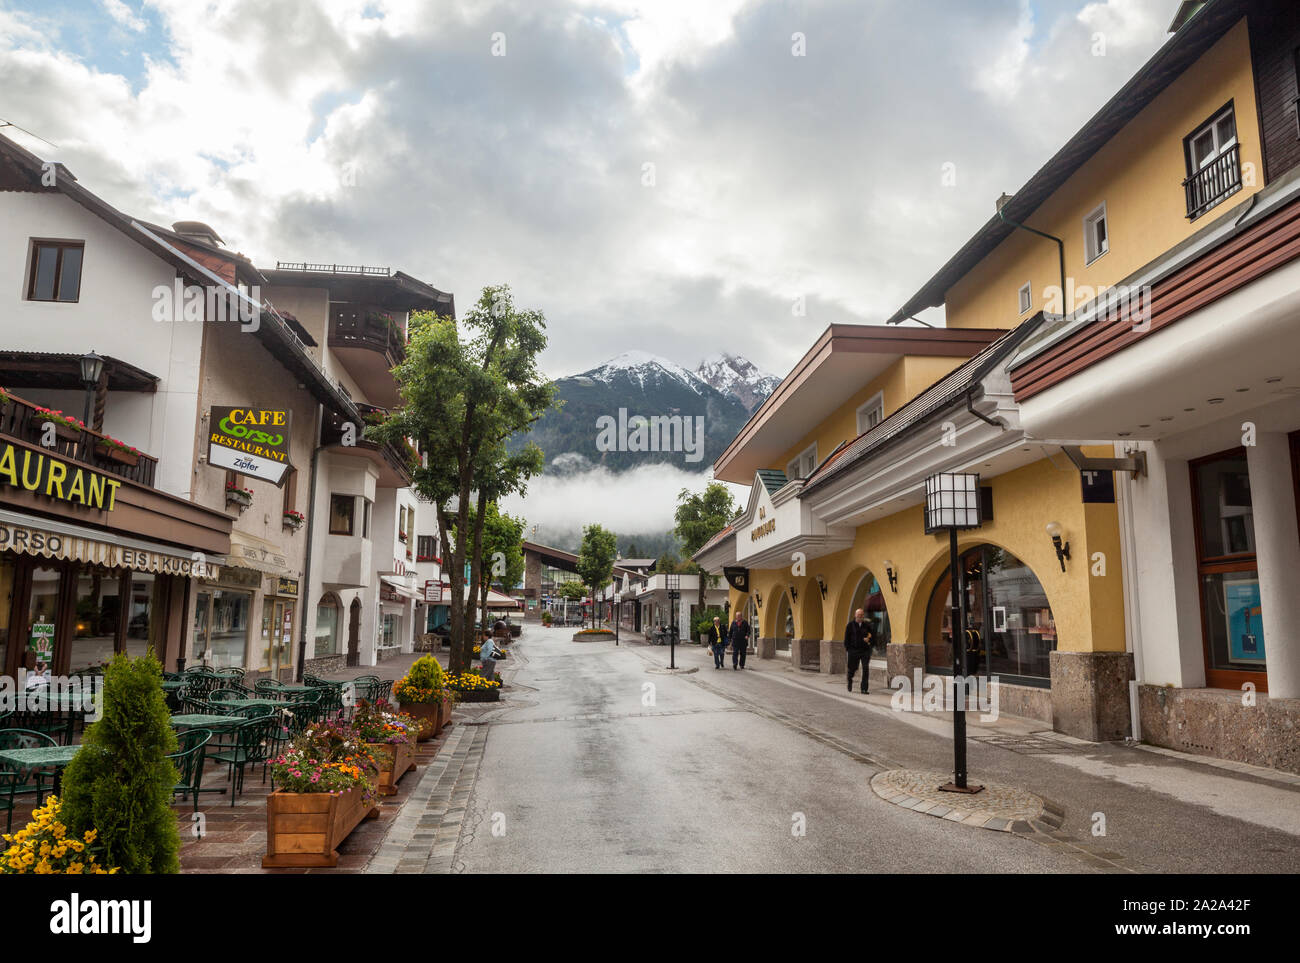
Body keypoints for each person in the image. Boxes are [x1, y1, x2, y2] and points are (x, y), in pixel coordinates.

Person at [844, 608, 874, 693]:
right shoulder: (850, 625)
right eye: (858, 615)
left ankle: (864, 689)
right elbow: (846, 639)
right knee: (852, 668)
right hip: (853, 650)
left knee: (865, 668)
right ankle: (850, 680)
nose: (860, 617)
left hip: (865, 651)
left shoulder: (867, 625)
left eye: (861, 615)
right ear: (855, 615)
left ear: (863, 616)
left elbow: (872, 636)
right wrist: (848, 649)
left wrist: (869, 640)